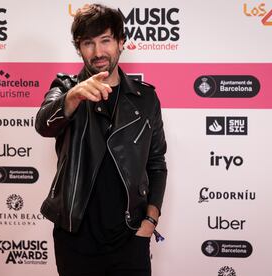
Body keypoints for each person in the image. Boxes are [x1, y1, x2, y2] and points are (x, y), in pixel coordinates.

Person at [35, 3, 167, 276]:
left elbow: (156, 163)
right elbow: (43, 125)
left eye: (105, 40)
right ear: (79, 48)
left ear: (121, 42)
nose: (97, 52)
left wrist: (150, 220)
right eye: (88, 43)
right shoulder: (65, 89)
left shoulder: (146, 99)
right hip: (76, 237)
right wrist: (74, 95)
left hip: (130, 236)